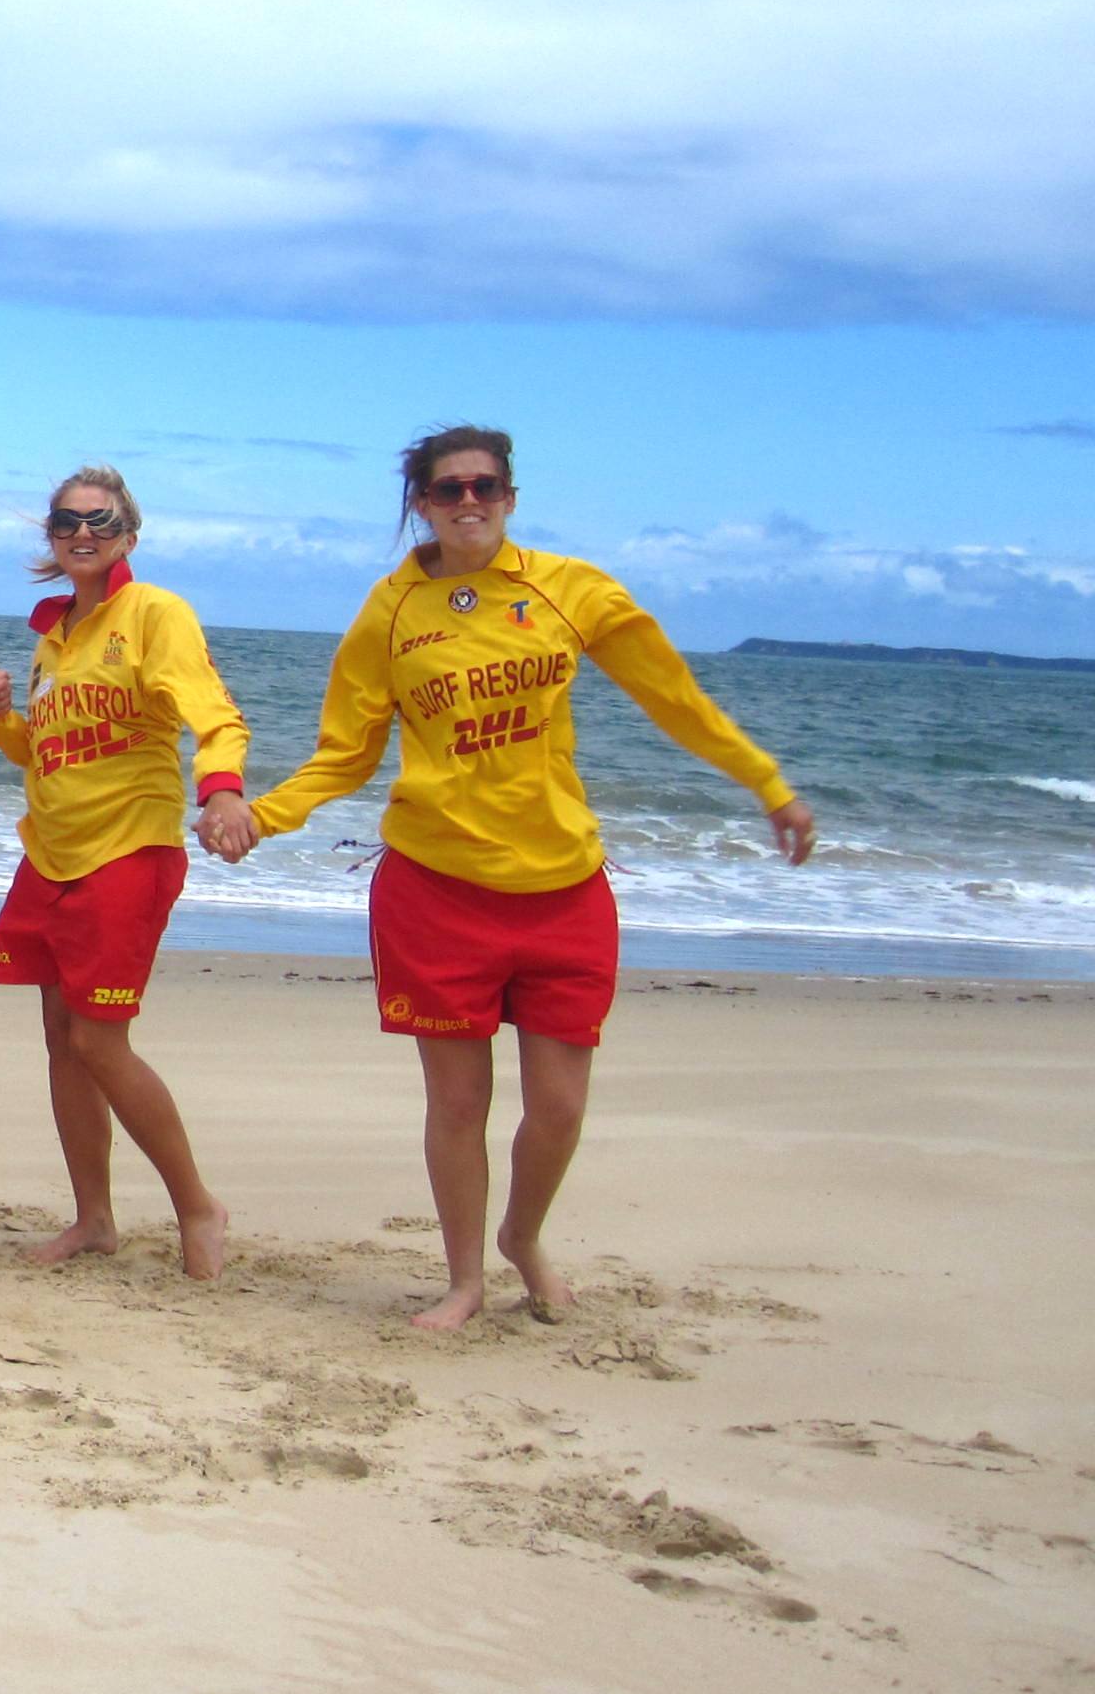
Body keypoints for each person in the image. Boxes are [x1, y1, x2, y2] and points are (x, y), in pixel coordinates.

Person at [238, 424, 818, 1328]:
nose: (468, 502)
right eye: (448, 490)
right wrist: (260, 815)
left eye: (485, 487)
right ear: (420, 505)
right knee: (458, 1102)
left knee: (558, 1106)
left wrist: (767, 784)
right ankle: (465, 1278)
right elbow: (344, 757)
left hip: (563, 887)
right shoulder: (389, 613)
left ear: (510, 496)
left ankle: (522, 1236)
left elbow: (675, 698)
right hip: (435, 888)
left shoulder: (569, 589)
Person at [0, 465, 247, 1279]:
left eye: (100, 522)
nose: (83, 534)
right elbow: (47, 750)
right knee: (63, 1040)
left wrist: (224, 792)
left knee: (100, 1038)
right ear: (51, 540)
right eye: (67, 523)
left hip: (128, 851)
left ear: (129, 533)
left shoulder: (155, 613)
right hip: (52, 853)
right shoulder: (54, 636)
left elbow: (213, 712)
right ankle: (93, 1219)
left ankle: (197, 1205)